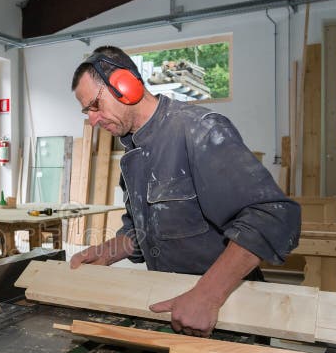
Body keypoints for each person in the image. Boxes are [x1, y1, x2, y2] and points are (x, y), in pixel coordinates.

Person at [70, 46, 300, 337]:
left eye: (95, 105)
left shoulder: (198, 130)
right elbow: (144, 229)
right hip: (175, 306)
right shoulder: (133, 152)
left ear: (124, 86)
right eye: (86, 111)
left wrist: (208, 295)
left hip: (225, 310)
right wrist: (107, 252)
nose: (92, 120)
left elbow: (272, 216)